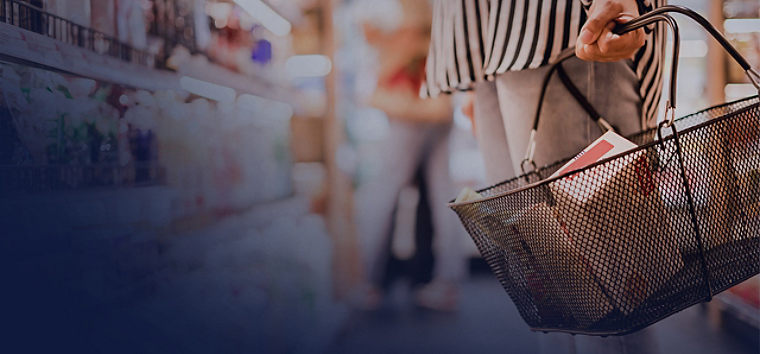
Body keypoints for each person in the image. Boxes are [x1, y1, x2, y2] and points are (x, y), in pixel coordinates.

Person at [424, 0, 666, 352]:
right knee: (553, 301)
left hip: (564, 32)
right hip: (493, 44)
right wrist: (474, 69)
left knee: (610, 304)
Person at [353, 0, 467, 312]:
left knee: (385, 195)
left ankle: (369, 282)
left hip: (411, 114)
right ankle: (447, 282)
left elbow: (385, 72)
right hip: (438, 111)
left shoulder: (406, 32)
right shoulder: (439, 26)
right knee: (445, 196)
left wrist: (386, 46)